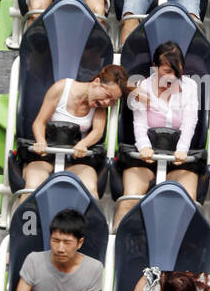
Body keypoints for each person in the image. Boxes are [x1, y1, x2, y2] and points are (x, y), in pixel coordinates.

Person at [116, 42, 202, 221]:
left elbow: (190, 121)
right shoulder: (142, 88)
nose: (172, 77)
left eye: (177, 71)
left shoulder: (190, 86)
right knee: (129, 199)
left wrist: (182, 149)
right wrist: (144, 148)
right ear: (155, 68)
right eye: (167, 71)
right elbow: (139, 124)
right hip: (145, 156)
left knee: (187, 200)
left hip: (178, 156)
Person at [23, 66, 130, 196]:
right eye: (107, 95)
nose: (106, 102)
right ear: (96, 82)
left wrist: (83, 143)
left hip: (74, 160)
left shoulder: (99, 107)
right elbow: (40, 122)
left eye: (112, 101)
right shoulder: (62, 88)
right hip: (46, 157)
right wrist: (41, 141)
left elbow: (97, 132)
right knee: (33, 186)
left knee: (90, 189)